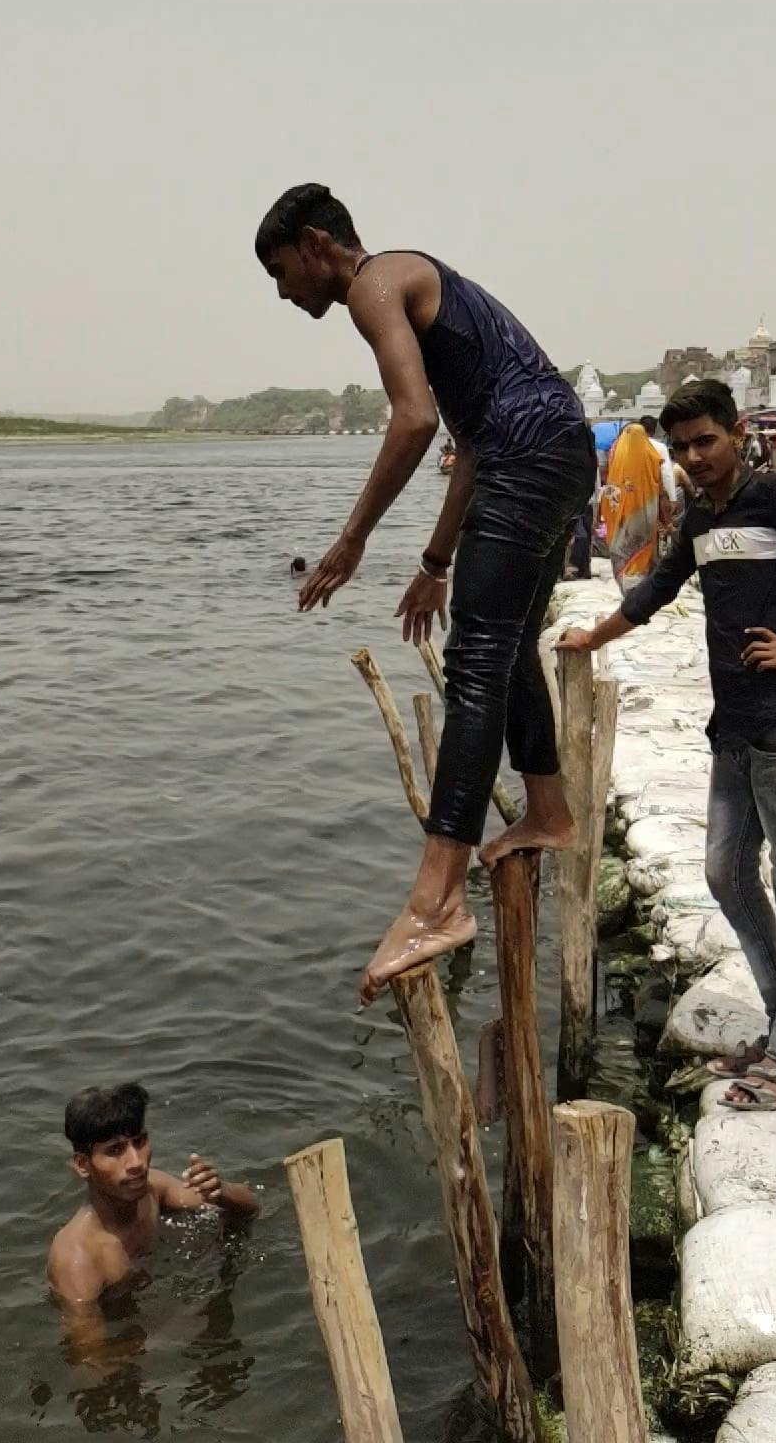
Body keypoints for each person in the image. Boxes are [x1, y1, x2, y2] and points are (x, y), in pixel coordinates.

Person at [254, 184, 595, 1002]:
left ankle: (438, 900)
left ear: (315, 244)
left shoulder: (374, 285)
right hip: (559, 452)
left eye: (280, 271)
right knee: (503, 647)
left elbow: (411, 422)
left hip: (530, 459)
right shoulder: (422, 290)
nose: (282, 292)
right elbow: (466, 441)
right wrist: (437, 562)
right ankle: (547, 811)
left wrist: (353, 538)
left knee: (475, 662)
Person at [558, 379, 776, 1113]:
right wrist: (592, 637)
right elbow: (655, 592)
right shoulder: (702, 517)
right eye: (679, 447)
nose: (692, 457)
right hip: (732, 728)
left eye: (705, 441)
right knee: (724, 875)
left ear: (736, 432)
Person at [48, 1082, 258, 1345]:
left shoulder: (152, 1190)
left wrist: (220, 1189)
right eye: (115, 1150)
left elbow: (250, 1206)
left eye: (140, 1141)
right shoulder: (80, 1259)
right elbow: (91, 1359)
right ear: (82, 1165)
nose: (136, 1162)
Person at [601, 423, 669, 583]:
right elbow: (660, 485)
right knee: (641, 548)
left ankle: (626, 582)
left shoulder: (615, 454)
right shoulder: (651, 455)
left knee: (621, 547)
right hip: (644, 513)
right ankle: (639, 582)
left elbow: (609, 486)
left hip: (619, 513)